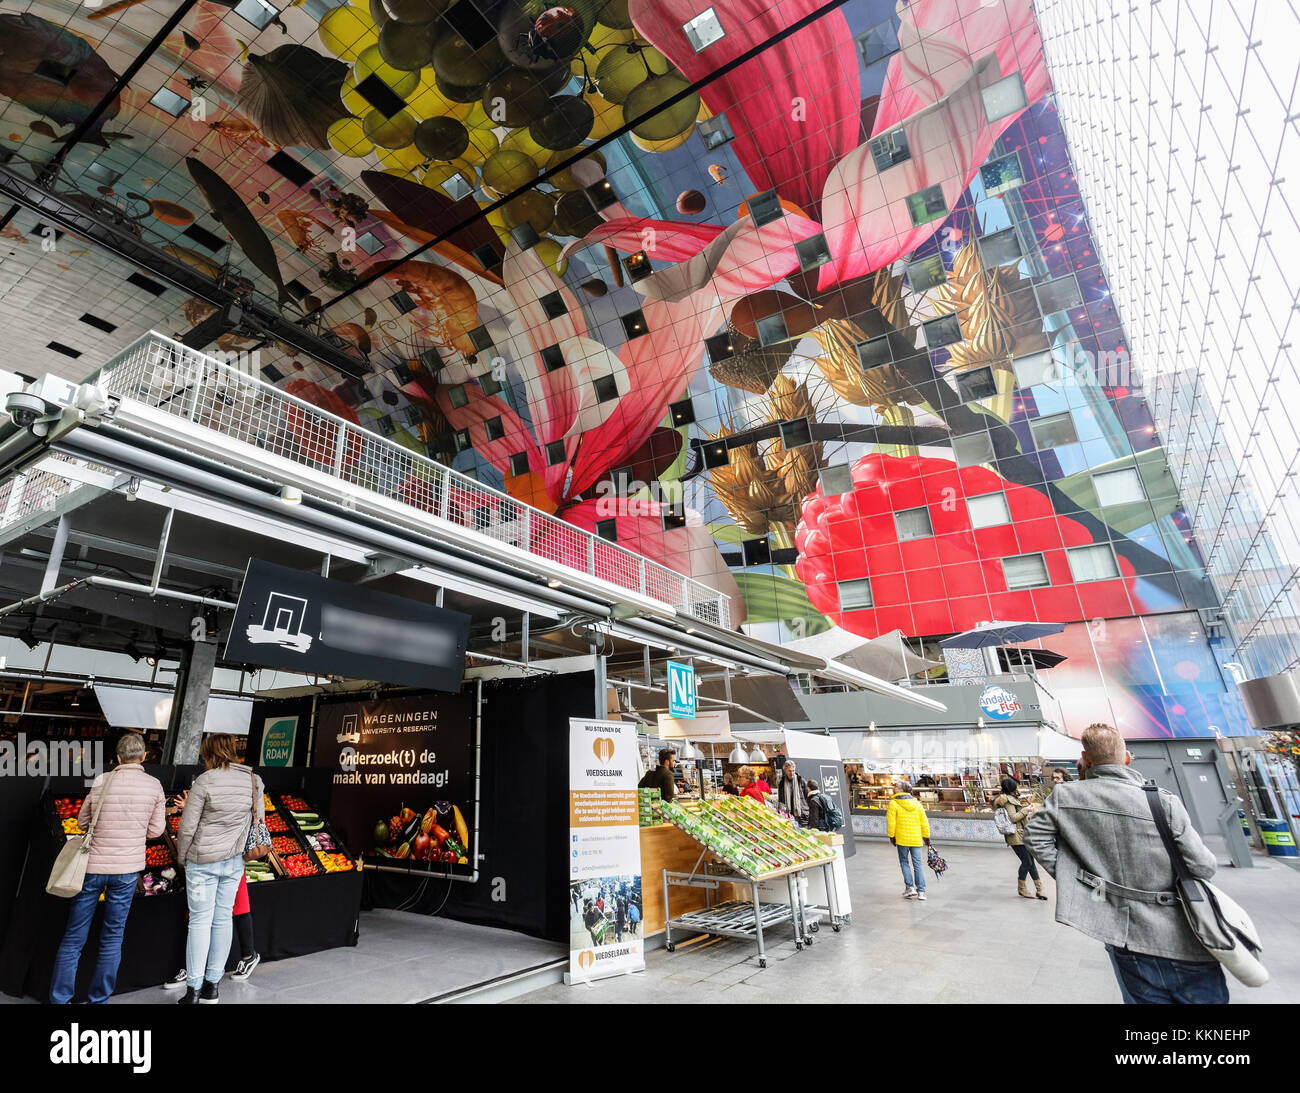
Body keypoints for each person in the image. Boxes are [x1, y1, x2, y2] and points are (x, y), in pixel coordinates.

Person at [1025, 723, 1227, 1005]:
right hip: (1185, 936)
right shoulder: (1163, 801)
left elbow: (1033, 835)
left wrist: (1072, 876)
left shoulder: (1066, 796)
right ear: (1128, 757)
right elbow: (1203, 867)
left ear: (1085, 758)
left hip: (1124, 933)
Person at [50, 733, 165, 1004]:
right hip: (126, 871)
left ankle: (60, 999)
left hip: (91, 867)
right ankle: (98, 999)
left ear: (116, 757)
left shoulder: (102, 780)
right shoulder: (154, 785)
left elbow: (81, 823)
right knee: (113, 935)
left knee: (74, 936)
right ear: (144, 757)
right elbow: (156, 830)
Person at [175, 733, 265, 1005]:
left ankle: (192, 990)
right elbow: (258, 821)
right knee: (223, 919)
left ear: (210, 753)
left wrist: (183, 856)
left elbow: (188, 827)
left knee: (200, 921)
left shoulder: (205, 781)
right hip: (234, 861)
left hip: (202, 862)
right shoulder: (253, 780)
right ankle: (212, 988)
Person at [992, 776, 1047, 900]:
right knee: (1027, 862)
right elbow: (1013, 818)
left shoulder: (1009, 798)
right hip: (1015, 835)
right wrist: (1026, 810)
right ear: (1012, 787)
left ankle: (1040, 889)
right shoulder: (1007, 800)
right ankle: (1022, 888)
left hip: (1021, 834)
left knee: (1030, 861)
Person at [886, 779, 931, 901]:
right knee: (918, 864)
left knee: (904, 862)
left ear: (901, 790)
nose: (895, 788)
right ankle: (921, 892)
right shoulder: (917, 804)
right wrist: (926, 836)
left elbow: (891, 822)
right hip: (916, 839)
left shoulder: (893, 803)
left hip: (902, 838)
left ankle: (910, 888)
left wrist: (891, 836)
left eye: (897, 787)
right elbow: (924, 822)